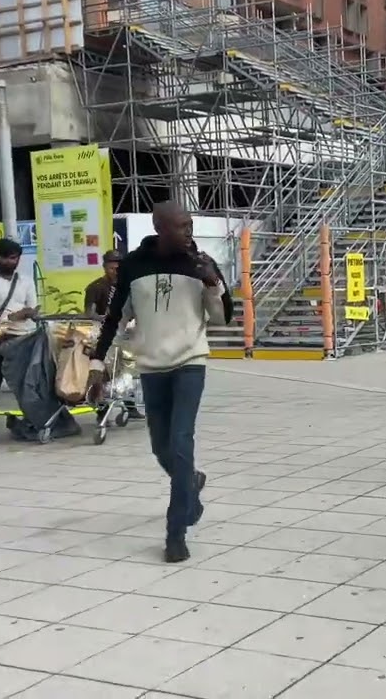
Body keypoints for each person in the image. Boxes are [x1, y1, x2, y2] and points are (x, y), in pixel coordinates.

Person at [86, 201, 229, 563]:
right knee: (160, 448)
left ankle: (175, 532)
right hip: (151, 368)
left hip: (190, 363)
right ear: (159, 228)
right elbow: (115, 318)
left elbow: (224, 317)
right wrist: (97, 364)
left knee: (180, 442)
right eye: (181, 226)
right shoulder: (134, 266)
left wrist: (212, 282)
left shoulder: (201, 263)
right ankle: (190, 485)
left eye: (190, 224)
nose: (189, 232)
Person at [0, 238, 39, 446]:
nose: (13, 262)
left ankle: (32, 422)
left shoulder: (26, 281)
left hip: (24, 337)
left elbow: (33, 308)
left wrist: (26, 314)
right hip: (0, 339)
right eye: (9, 258)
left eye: (16, 258)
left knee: (26, 384)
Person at [85, 250, 143, 421]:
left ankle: (130, 407)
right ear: (104, 267)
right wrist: (105, 319)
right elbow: (89, 313)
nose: (115, 272)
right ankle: (101, 411)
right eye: (112, 268)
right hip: (104, 334)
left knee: (127, 371)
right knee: (105, 373)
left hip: (126, 334)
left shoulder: (129, 287)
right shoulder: (95, 287)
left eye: (119, 268)